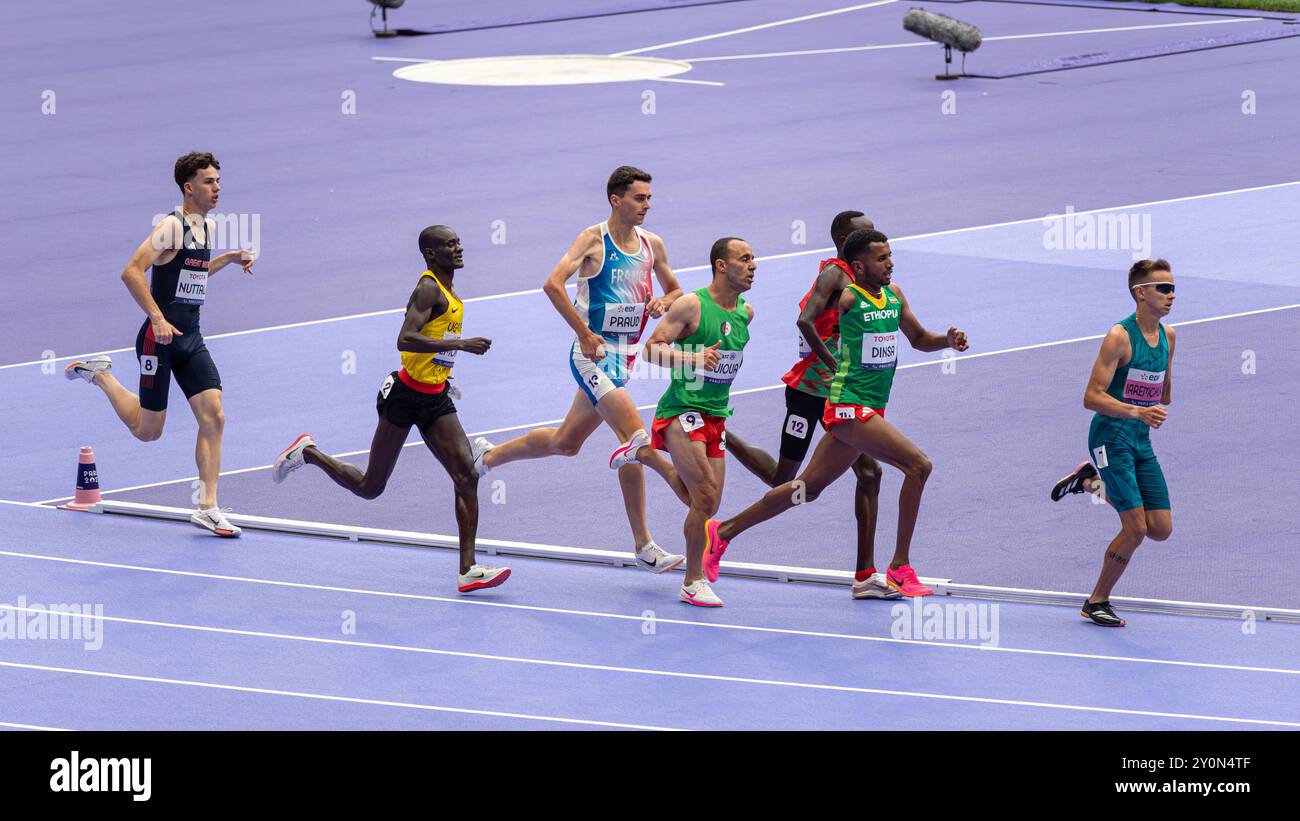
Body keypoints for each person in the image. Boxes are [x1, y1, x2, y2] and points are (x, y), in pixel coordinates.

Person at [702, 229, 969, 597]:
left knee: (805, 490)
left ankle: (723, 531)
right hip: (848, 408)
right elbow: (806, 319)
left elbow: (919, 338)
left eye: (890, 256)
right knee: (918, 466)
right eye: (881, 258)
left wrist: (947, 342)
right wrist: (824, 356)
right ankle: (899, 568)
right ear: (858, 266)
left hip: (871, 407)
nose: (890, 263)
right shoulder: (846, 298)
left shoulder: (894, 296)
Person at [472, 166, 690, 573]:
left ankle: (487, 457)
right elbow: (553, 284)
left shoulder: (652, 244)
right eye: (640, 198)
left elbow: (675, 288)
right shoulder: (593, 240)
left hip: (622, 359)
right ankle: (650, 536)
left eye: (649, 198)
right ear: (616, 199)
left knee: (566, 443)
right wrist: (584, 333)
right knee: (635, 439)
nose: (647, 205)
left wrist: (665, 301)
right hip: (590, 356)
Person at [271, 226, 509, 593]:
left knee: (466, 475)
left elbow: (434, 343)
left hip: (434, 397)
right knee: (370, 487)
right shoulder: (428, 287)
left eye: (459, 241)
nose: (459, 248)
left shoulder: (448, 290)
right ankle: (308, 452)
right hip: (403, 396)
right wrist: (461, 344)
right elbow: (405, 338)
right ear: (431, 254)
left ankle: (468, 569)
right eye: (449, 244)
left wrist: (443, 373)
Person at [65, 151, 253, 536]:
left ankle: (208, 506)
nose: (217, 188)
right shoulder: (171, 226)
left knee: (214, 417)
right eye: (208, 181)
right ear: (189, 187)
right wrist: (157, 318)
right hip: (159, 340)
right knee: (148, 431)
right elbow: (131, 272)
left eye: (218, 180)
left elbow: (192, 275)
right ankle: (100, 376)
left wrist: (228, 259)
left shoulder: (208, 229)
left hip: (191, 338)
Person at [725, 211, 897, 600]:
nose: (870, 235)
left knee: (869, 474)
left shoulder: (864, 278)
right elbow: (804, 321)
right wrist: (831, 362)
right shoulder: (834, 274)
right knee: (782, 480)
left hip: (842, 399)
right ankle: (721, 433)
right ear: (842, 239)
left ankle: (865, 576)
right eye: (861, 232)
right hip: (809, 391)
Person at [1051, 259, 1177, 627]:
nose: (1171, 295)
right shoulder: (1119, 337)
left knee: (1160, 529)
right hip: (1111, 436)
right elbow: (1091, 397)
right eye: (1162, 288)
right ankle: (1097, 600)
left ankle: (1089, 482)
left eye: (1173, 289)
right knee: (1135, 528)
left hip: (1140, 439)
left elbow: (1163, 392)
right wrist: (1137, 411)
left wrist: (1151, 400)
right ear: (1140, 293)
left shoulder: (1169, 336)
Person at [640, 237, 755, 606]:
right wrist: (691, 360)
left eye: (754, 260)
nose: (753, 266)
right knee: (704, 495)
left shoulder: (745, 313)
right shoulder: (692, 305)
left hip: (716, 415)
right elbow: (652, 348)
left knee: (704, 502)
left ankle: (644, 454)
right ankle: (693, 581)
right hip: (681, 408)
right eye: (744, 259)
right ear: (721, 265)